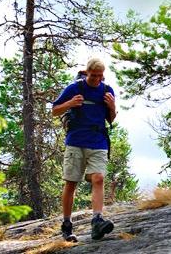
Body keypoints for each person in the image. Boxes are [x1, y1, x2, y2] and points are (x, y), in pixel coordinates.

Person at [52, 58, 117, 241]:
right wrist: (70, 104)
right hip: (76, 141)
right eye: (93, 75)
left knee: (98, 178)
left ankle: (97, 221)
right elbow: (55, 110)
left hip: (98, 141)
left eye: (100, 76)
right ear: (86, 73)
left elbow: (110, 119)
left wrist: (112, 107)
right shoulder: (74, 88)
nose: (97, 79)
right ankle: (66, 224)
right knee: (71, 183)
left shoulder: (107, 90)